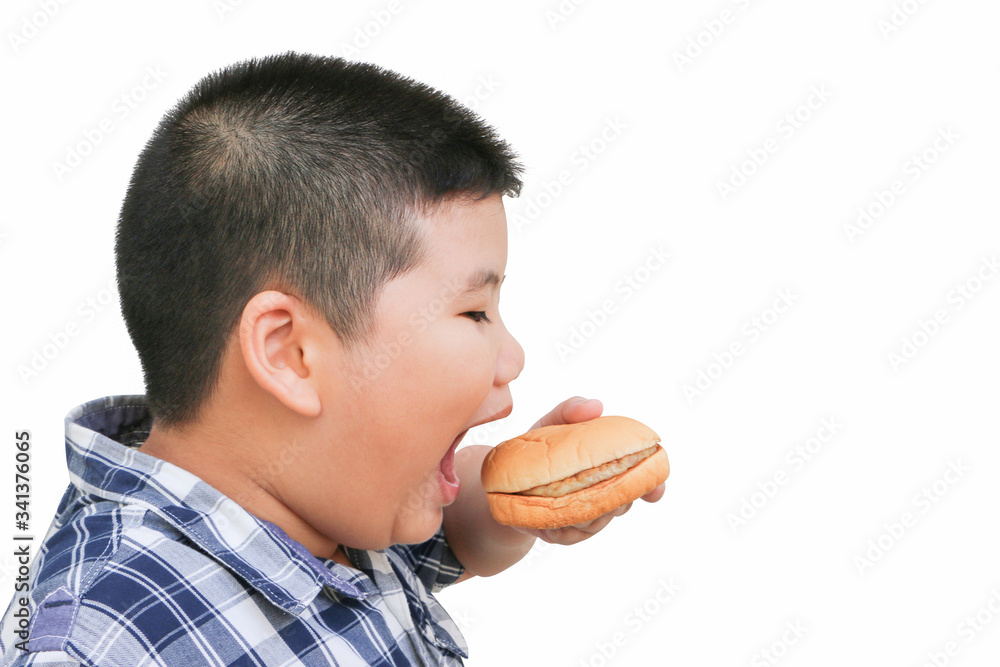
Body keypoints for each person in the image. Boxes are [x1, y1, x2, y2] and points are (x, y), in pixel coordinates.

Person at [0, 52, 664, 666]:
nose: (510, 357)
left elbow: (442, 533)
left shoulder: (318, 493)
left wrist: (504, 503)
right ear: (289, 353)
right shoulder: (98, 644)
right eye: (474, 313)